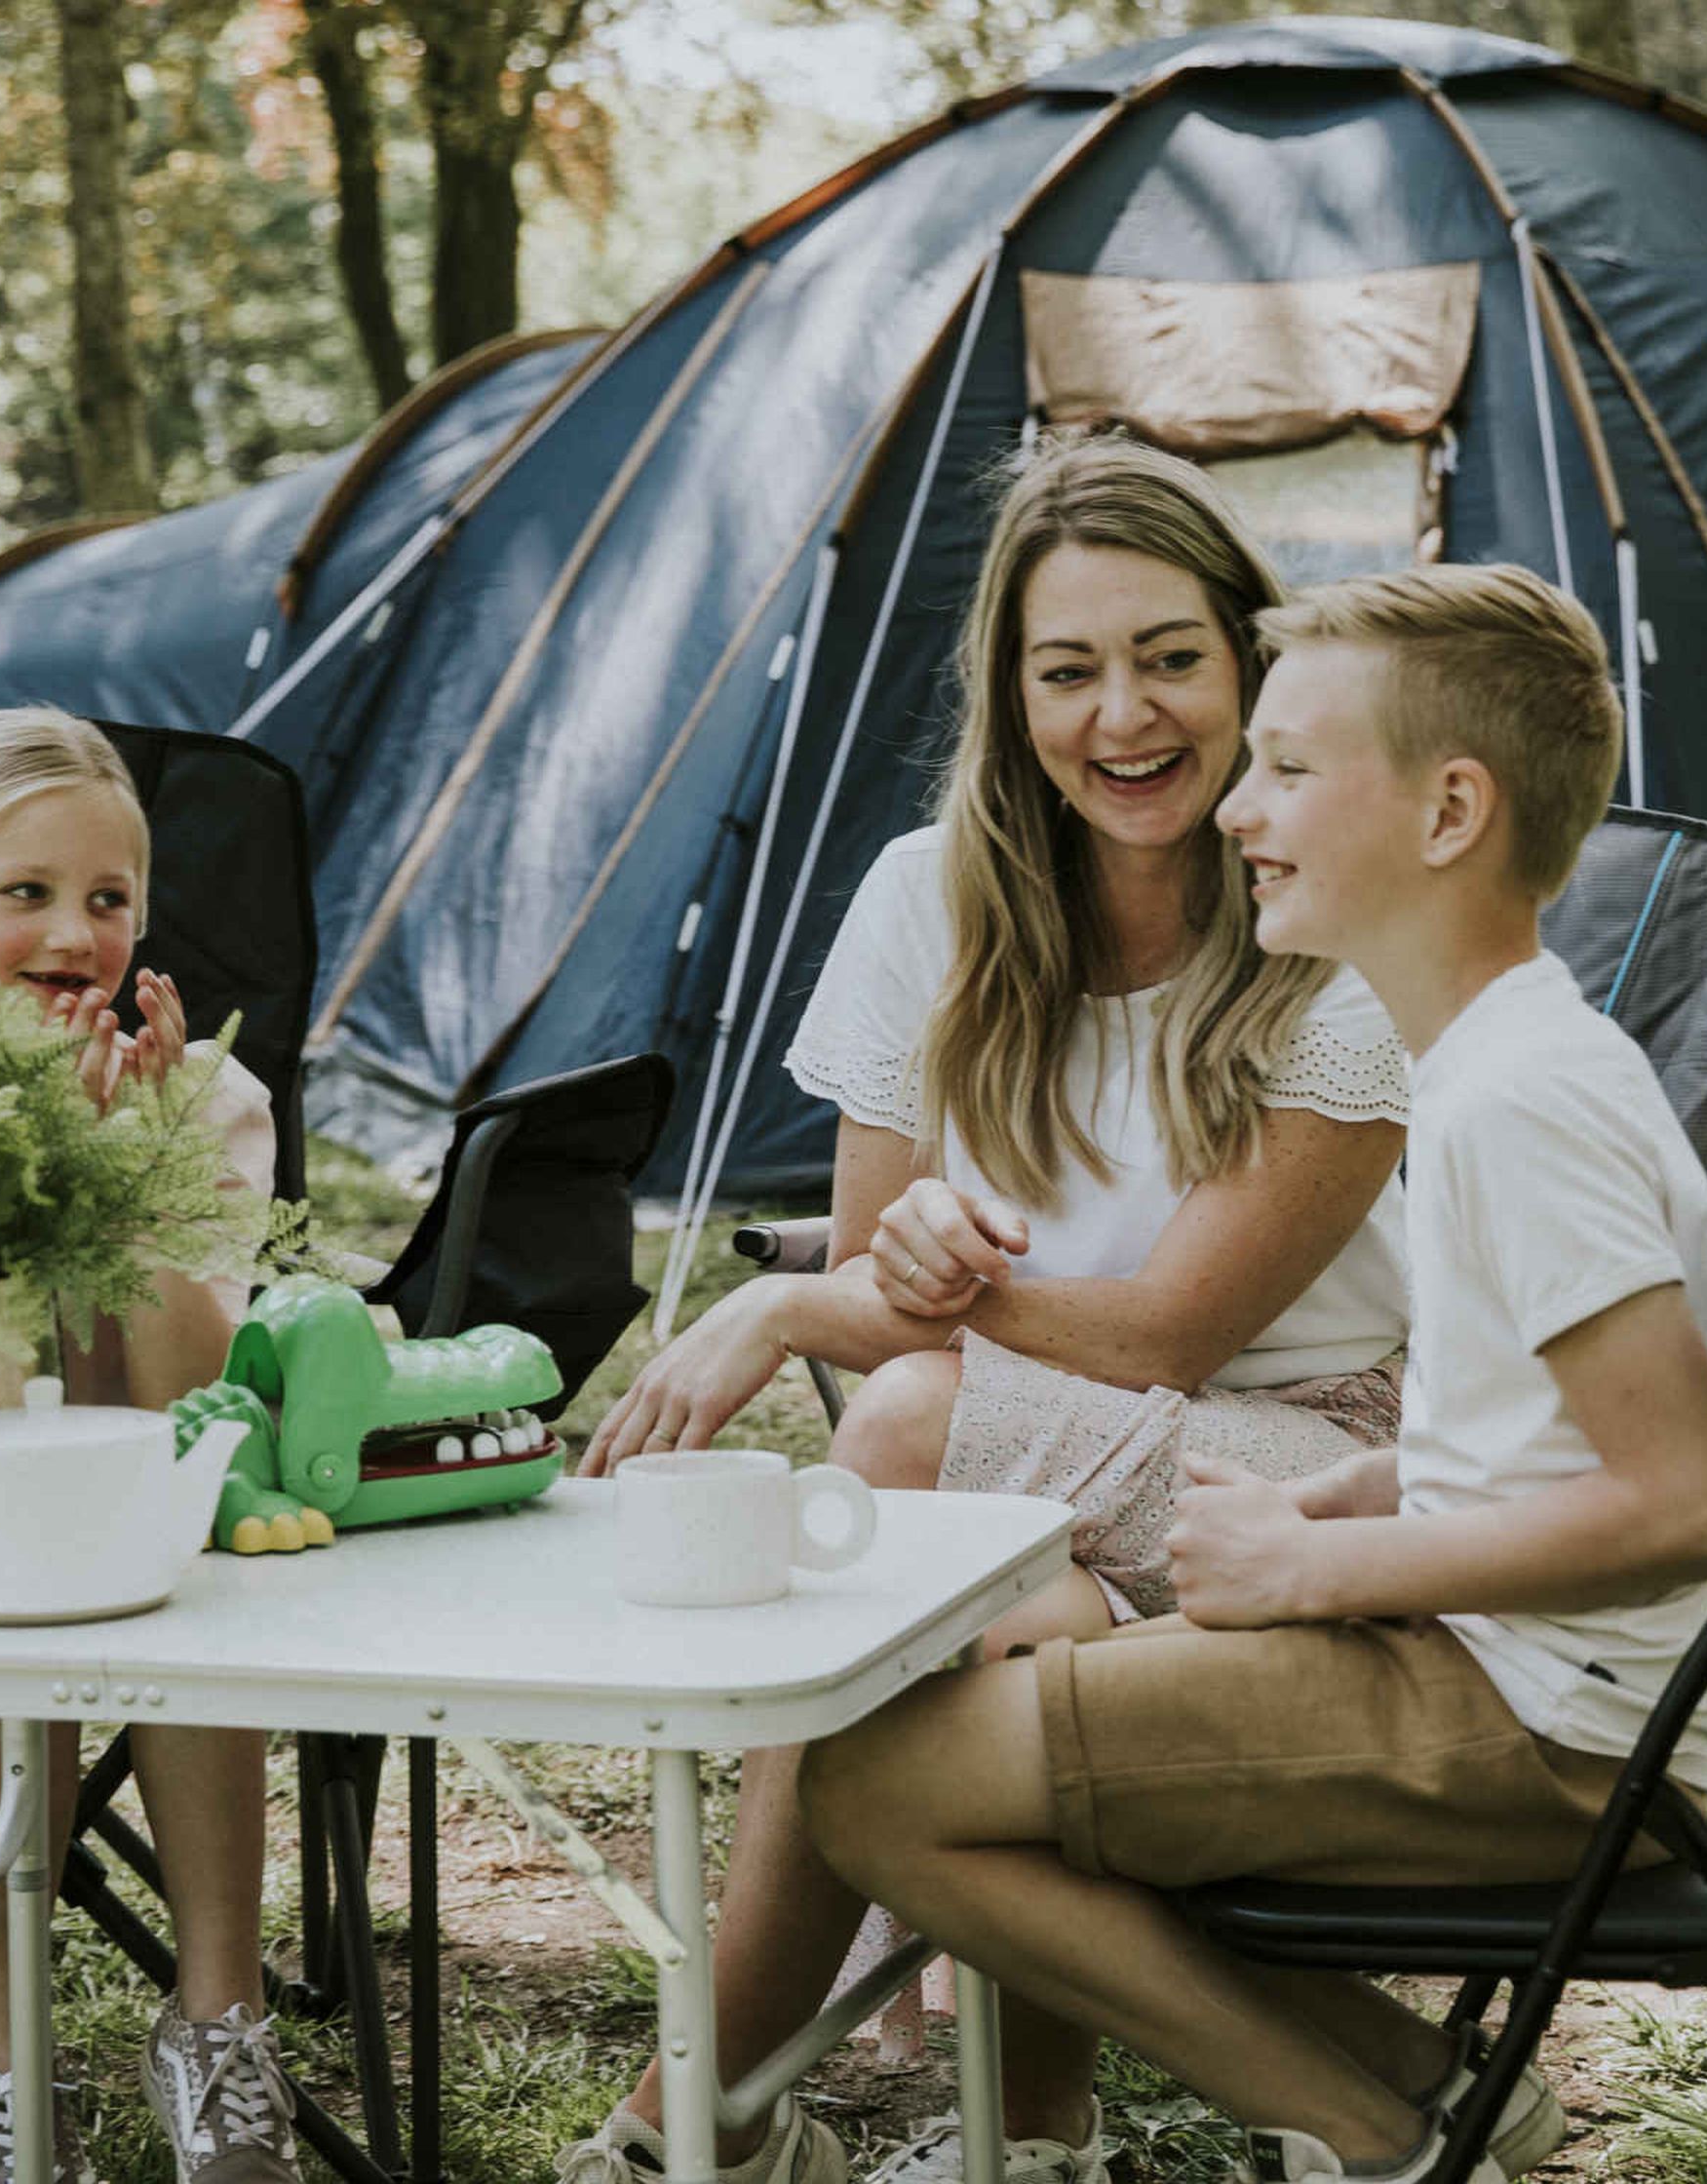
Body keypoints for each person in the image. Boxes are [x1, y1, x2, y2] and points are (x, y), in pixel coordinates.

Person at [799, 564, 1707, 2184]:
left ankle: (1382, 2138)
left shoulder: (1518, 1104)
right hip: (1529, 1683)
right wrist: (1377, 1485)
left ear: (1450, 810)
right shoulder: (1505, 1057)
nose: (1240, 807)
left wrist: (1328, 1562)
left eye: (1290, 768)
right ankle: (1430, 2092)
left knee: (881, 1788)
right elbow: (1572, 1432)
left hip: (1548, 1730)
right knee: (998, 1667)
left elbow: (1687, 1500)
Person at [559, 436, 1417, 2184]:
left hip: (1314, 1463)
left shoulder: (1328, 924)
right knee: (1019, 1610)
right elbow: (892, 1272)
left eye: (1171, 656)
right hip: (1040, 1469)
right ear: (1008, 691)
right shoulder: (930, 896)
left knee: (907, 1428)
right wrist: (894, 1282)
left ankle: (692, 2131)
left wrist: (792, 1322)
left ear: (1250, 660)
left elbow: (1169, 1342)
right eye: (1069, 668)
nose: (1126, 716)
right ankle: (1028, 2143)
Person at [0, 706, 299, 2184]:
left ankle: (221, 2020)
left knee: (168, 1591)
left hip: (151, 1509)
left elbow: (194, 1387)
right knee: (19, 1600)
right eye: (27, 895)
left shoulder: (206, 1098)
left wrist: (131, 1174)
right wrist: (15, 1167)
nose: (76, 932)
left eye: (109, 900)